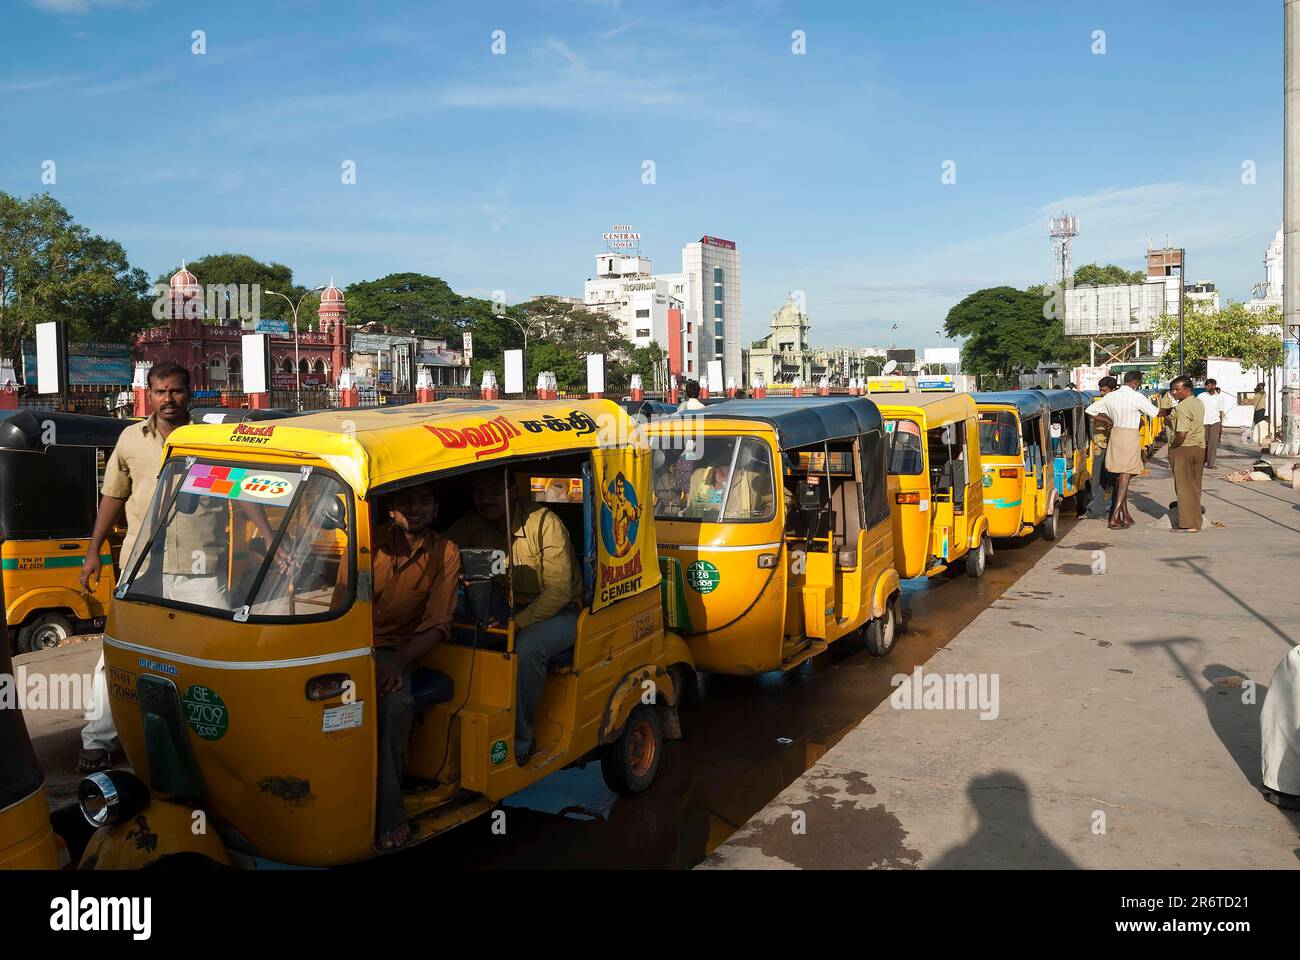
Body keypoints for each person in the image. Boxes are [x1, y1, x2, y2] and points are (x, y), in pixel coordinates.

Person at [75, 362, 195, 772]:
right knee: (116, 650)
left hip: (202, 565)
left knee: (207, 652)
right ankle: (97, 740)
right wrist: (94, 551)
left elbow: (241, 490)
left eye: (175, 391)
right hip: (142, 565)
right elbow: (112, 496)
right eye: (160, 391)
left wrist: (270, 539)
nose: (168, 399)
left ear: (189, 393)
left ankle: (206, 740)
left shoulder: (208, 440)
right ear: (149, 394)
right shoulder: (129, 439)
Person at [447, 471, 582, 765]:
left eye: (494, 490)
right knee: (455, 628)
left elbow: (558, 592)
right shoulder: (474, 523)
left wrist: (517, 624)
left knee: (528, 647)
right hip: (504, 608)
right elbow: (440, 551)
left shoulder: (545, 523)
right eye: (479, 492)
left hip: (559, 612)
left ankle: (520, 743)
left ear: (512, 490)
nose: (486, 498)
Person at [371, 483, 460, 851]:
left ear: (436, 509)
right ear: (392, 509)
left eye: (424, 500)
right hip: (347, 641)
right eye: (406, 501)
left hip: (399, 650)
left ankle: (389, 816)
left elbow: (439, 624)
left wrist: (397, 662)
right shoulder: (368, 540)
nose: (415, 508)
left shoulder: (445, 552)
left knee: (393, 705)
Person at [1084, 370, 1160, 529]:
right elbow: (1154, 413)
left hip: (1115, 436)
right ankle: (1115, 515)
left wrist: (1108, 420)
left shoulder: (1111, 396)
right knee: (1125, 476)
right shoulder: (1136, 396)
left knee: (1119, 476)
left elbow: (1089, 410)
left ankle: (1125, 516)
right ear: (1137, 382)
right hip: (1129, 436)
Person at [1166, 375, 1206, 533]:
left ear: (1187, 390)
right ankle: (1196, 522)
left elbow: (1181, 433)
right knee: (1194, 486)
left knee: (1183, 488)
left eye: (1177, 389)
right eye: (1173, 389)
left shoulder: (1182, 407)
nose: (1174, 393)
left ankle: (1187, 524)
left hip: (1184, 448)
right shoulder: (1198, 402)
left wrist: (1173, 447)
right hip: (1198, 447)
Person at [1084, 376, 1117, 519]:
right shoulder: (1100, 402)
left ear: (1113, 390)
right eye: (1100, 390)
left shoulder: (1117, 402)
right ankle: (1095, 510)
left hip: (1113, 444)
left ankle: (1111, 509)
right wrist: (1105, 419)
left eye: (1104, 390)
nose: (1102, 393)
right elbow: (1089, 411)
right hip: (1099, 445)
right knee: (1097, 478)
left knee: (1113, 479)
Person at [1199, 379, 1225, 469]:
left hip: (1215, 422)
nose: (1206, 387)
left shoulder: (1220, 398)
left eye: (1208, 385)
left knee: (1213, 444)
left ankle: (1211, 464)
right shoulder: (1201, 396)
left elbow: (1221, 412)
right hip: (1203, 422)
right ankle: (1202, 461)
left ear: (1214, 386)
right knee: (1203, 443)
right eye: (1206, 385)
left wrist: (1220, 426)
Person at [1251, 382, 1269, 449]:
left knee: (1260, 424)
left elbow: (1262, 389)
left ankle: (1261, 440)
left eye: (1258, 387)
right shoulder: (1257, 394)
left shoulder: (1262, 393)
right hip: (1256, 410)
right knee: (1256, 424)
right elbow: (1254, 402)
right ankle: (1258, 439)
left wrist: (1261, 385)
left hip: (1261, 409)